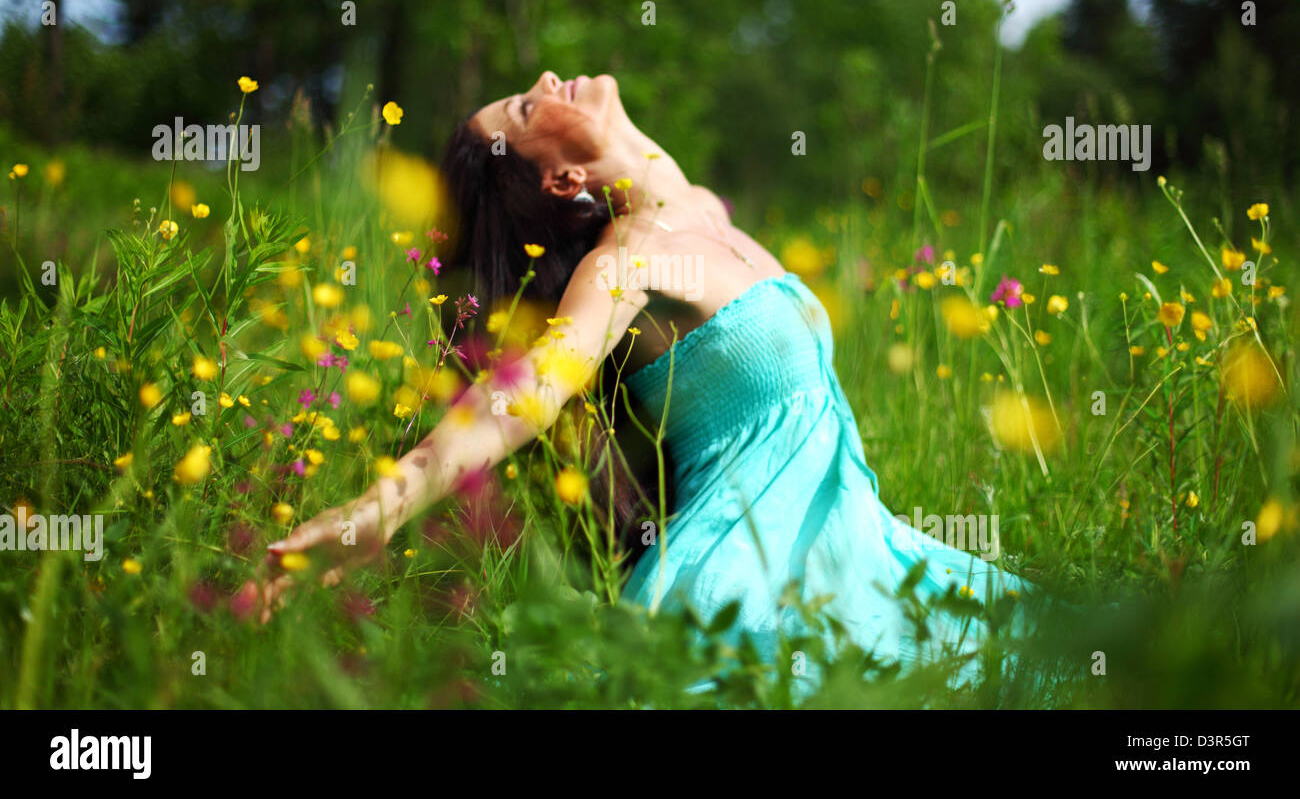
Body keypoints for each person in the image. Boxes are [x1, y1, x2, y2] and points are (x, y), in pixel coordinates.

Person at [262, 70, 1036, 691]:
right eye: (529, 107)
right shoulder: (629, 259)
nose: (549, 77)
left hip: (848, 544)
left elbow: (652, 170)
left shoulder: (699, 207)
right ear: (562, 179)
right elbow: (532, 384)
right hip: (746, 575)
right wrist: (382, 506)